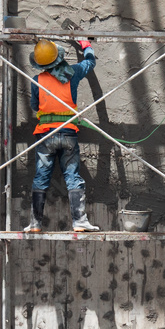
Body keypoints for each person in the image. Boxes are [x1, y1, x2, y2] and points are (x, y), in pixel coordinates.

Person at [25, 38, 100, 232]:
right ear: (58, 58)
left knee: (41, 177)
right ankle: (79, 221)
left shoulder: (37, 80)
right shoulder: (71, 73)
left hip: (45, 135)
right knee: (73, 176)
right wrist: (86, 46)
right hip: (68, 133)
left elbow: (35, 106)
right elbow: (90, 62)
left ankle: (35, 223)